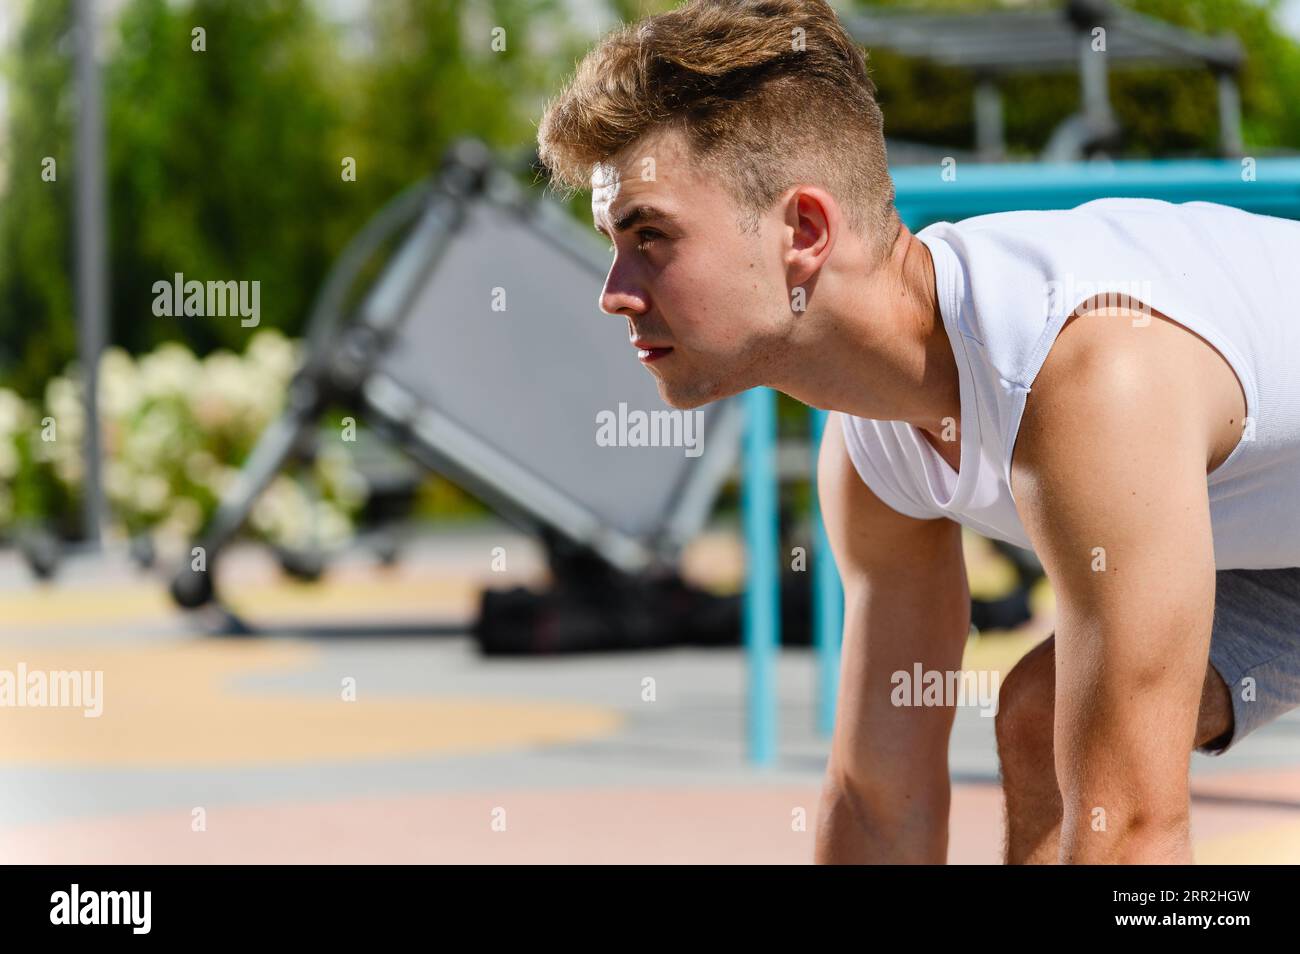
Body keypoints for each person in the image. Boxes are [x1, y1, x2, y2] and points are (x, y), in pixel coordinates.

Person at [535, 0, 1300, 863]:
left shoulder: (1086, 373)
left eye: (650, 237)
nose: (614, 289)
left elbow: (1136, 834)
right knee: (1041, 720)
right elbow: (875, 801)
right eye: (612, 241)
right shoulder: (872, 445)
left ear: (805, 232)